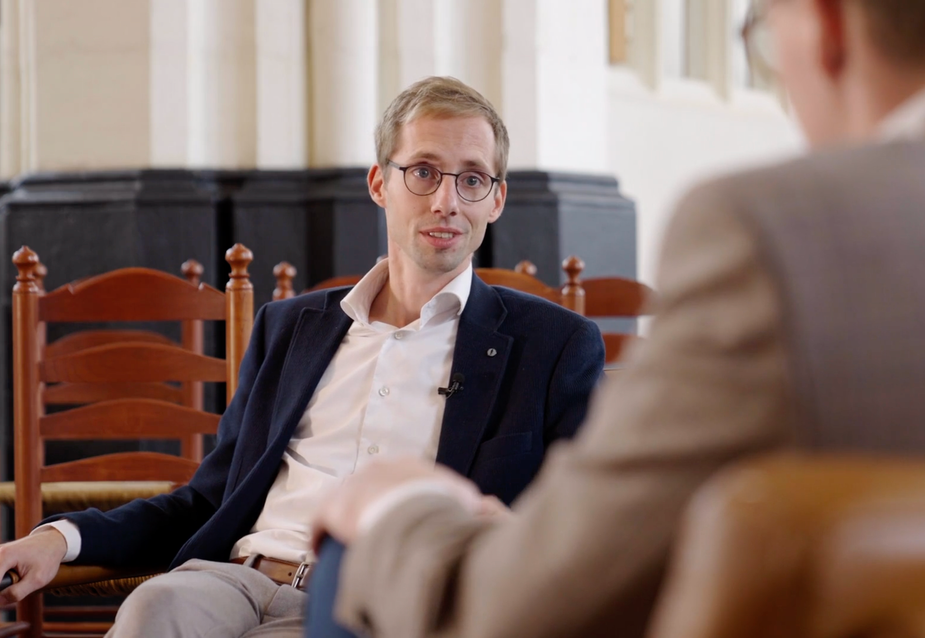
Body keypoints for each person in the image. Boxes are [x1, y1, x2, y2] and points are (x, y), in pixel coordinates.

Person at [306, 1, 925, 637]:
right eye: (423, 174)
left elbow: (536, 606)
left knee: (360, 557)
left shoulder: (776, 231)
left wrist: (401, 509)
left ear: (828, 26)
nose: (445, 202)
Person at [0, 76, 605, 637]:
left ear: (496, 200)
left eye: (472, 179)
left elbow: (576, 529)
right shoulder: (291, 329)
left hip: (366, 605)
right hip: (234, 577)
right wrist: (59, 538)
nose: (447, 200)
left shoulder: (552, 347)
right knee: (155, 607)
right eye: (423, 171)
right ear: (379, 184)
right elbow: (209, 499)